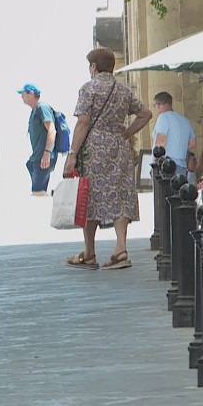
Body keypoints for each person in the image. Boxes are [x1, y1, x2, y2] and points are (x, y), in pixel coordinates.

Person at [63, 47, 153, 270]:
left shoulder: (88, 89)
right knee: (120, 194)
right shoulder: (123, 90)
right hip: (118, 147)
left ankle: (90, 252)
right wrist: (126, 133)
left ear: (93, 67)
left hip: (94, 149)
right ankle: (121, 249)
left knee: (90, 195)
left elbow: (83, 123)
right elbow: (146, 114)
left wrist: (72, 154)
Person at [18, 83, 58, 196]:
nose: (22, 97)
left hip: (43, 157)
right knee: (30, 167)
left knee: (37, 192)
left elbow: (51, 130)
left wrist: (47, 153)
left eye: (23, 94)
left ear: (31, 94)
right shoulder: (35, 110)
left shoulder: (42, 107)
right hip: (38, 157)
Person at [151, 91, 197, 182]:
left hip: (167, 166)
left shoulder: (163, 117)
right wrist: (179, 147)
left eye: (155, 106)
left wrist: (154, 162)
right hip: (182, 166)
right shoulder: (185, 121)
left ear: (159, 104)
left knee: (164, 194)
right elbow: (193, 143)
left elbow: (161, 140)